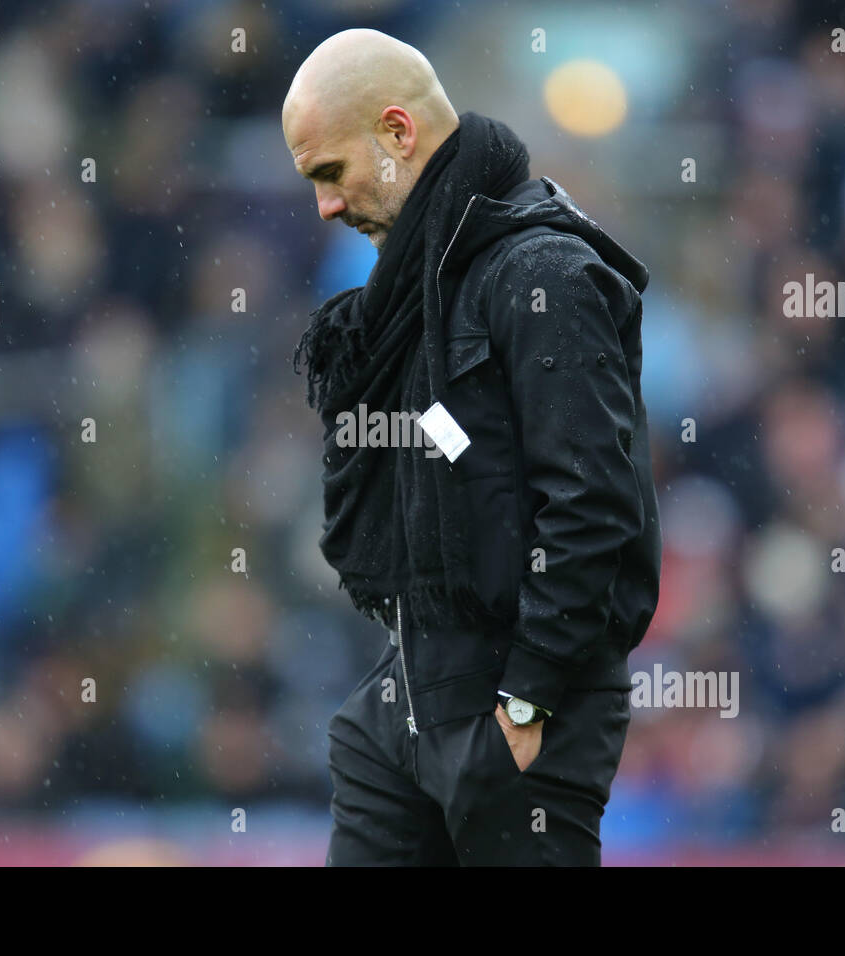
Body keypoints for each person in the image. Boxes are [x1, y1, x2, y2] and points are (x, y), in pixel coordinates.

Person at [285, 28, 661, 866]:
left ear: (396, 132)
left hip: (521, 703)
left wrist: (527, 703)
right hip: (405, 696)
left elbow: (594, 502)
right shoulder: (416, 293)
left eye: (329, 173)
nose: (326, 206)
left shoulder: (545, 274)